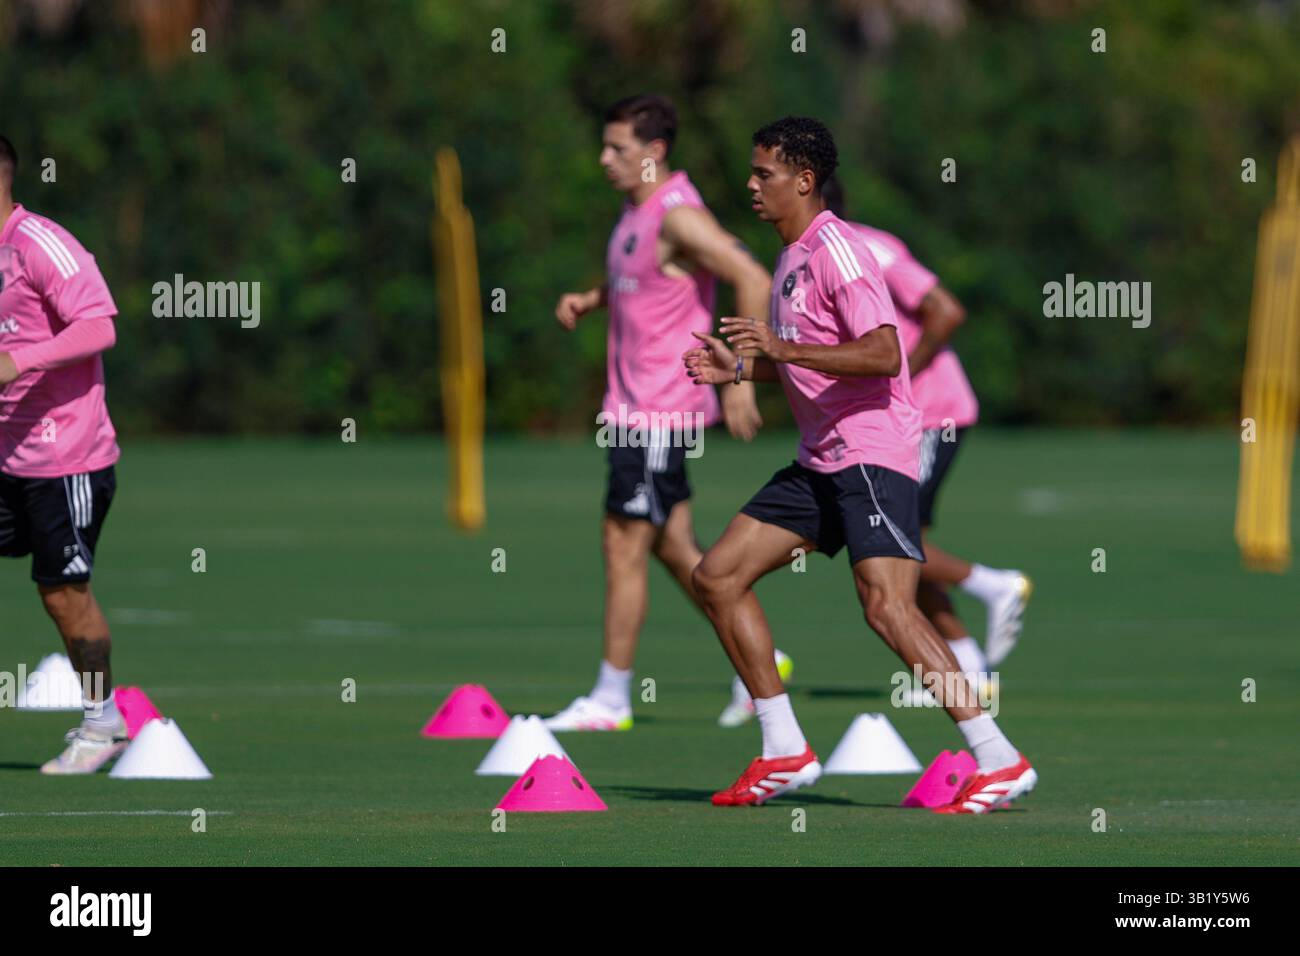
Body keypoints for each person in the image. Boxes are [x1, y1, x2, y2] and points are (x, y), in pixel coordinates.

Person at [683, 117, 1037, 813]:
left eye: (764, 174)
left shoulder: (838, 250)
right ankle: (783, 749)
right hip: (820, 458)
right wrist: (742, 370)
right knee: (717, 577)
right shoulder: (790, 257)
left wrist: (779, 354)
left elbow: (883, 353)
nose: (751, 185)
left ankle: (1000, 758)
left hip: (873, 451)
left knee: (886, 607)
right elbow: (813, 367)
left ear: (804, 180)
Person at [547, 95, 788, 731]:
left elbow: (751, 276)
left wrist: (740, 378)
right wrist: (590, 299)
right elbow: (644, 283)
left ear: (654, 153)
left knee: (621, 543)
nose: (604, 159)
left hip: (656, 410)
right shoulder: (637, 213)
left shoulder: (679, 216)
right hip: (633, 411)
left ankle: (610, 698)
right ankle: (758, 661)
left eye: (618, 149)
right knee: (674, 546)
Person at [0, 134, 127, 774]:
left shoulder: (39, 244)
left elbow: (99, 323)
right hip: (4, 457)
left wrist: (18, 361)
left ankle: (103, 721)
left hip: (65, 457)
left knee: (62, 594)